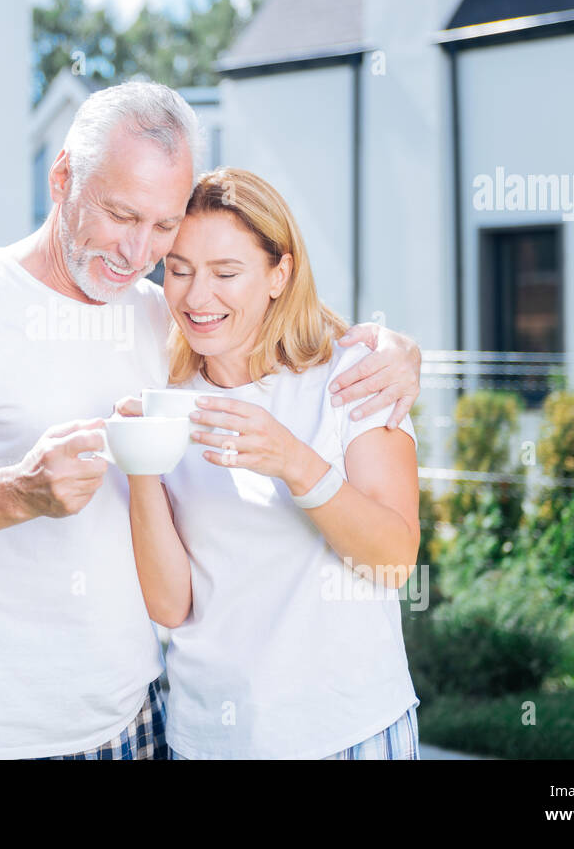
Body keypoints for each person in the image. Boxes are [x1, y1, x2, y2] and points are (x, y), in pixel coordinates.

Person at [0, 81, 422, 760]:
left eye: (162, 225)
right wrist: (16, 492)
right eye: (121, 215)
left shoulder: (161, 319)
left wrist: (398, 350)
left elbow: (273, 328)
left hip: (135, 721)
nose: (137, 251)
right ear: (63, 177)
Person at [121, 167, 421, 759]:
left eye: (225, 273)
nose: (196, 296)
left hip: (349, 733)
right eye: (178, 270)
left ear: (280, 273)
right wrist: (140, 467)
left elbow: (392, 562)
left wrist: (294, 461)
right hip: (209, 739)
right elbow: (169, 606)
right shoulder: (163, 399)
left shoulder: (351, 377)